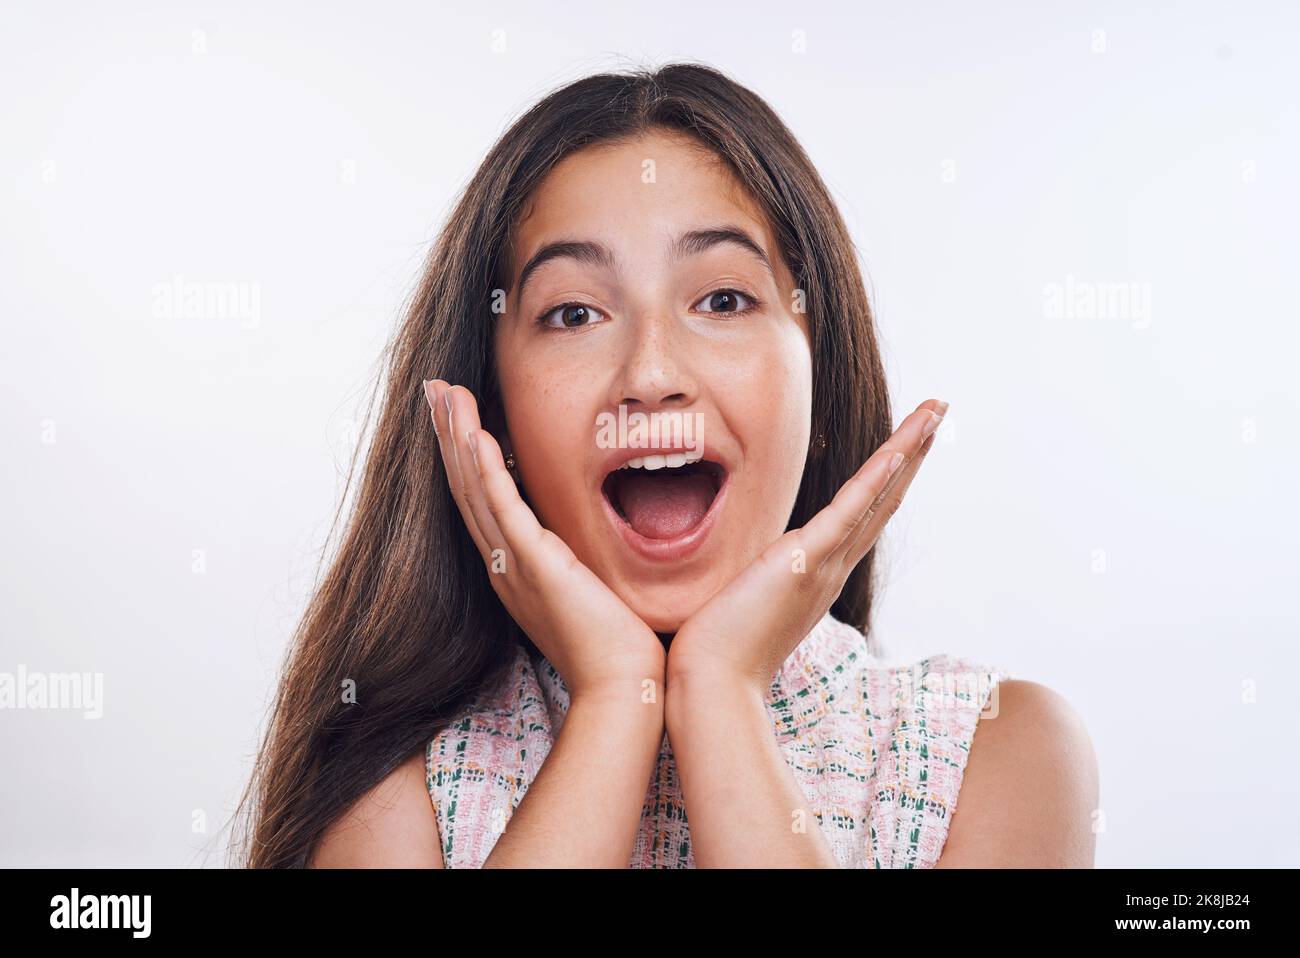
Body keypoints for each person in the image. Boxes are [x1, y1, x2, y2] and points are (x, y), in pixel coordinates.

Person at [233, 61, 1098, 868]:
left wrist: (721, 691)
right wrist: (614, 698)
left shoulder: (994, 747)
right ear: (491, 415)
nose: (649, 375)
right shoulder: (396, 789)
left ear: (819, 386)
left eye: (723, 299)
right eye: (573, 313)